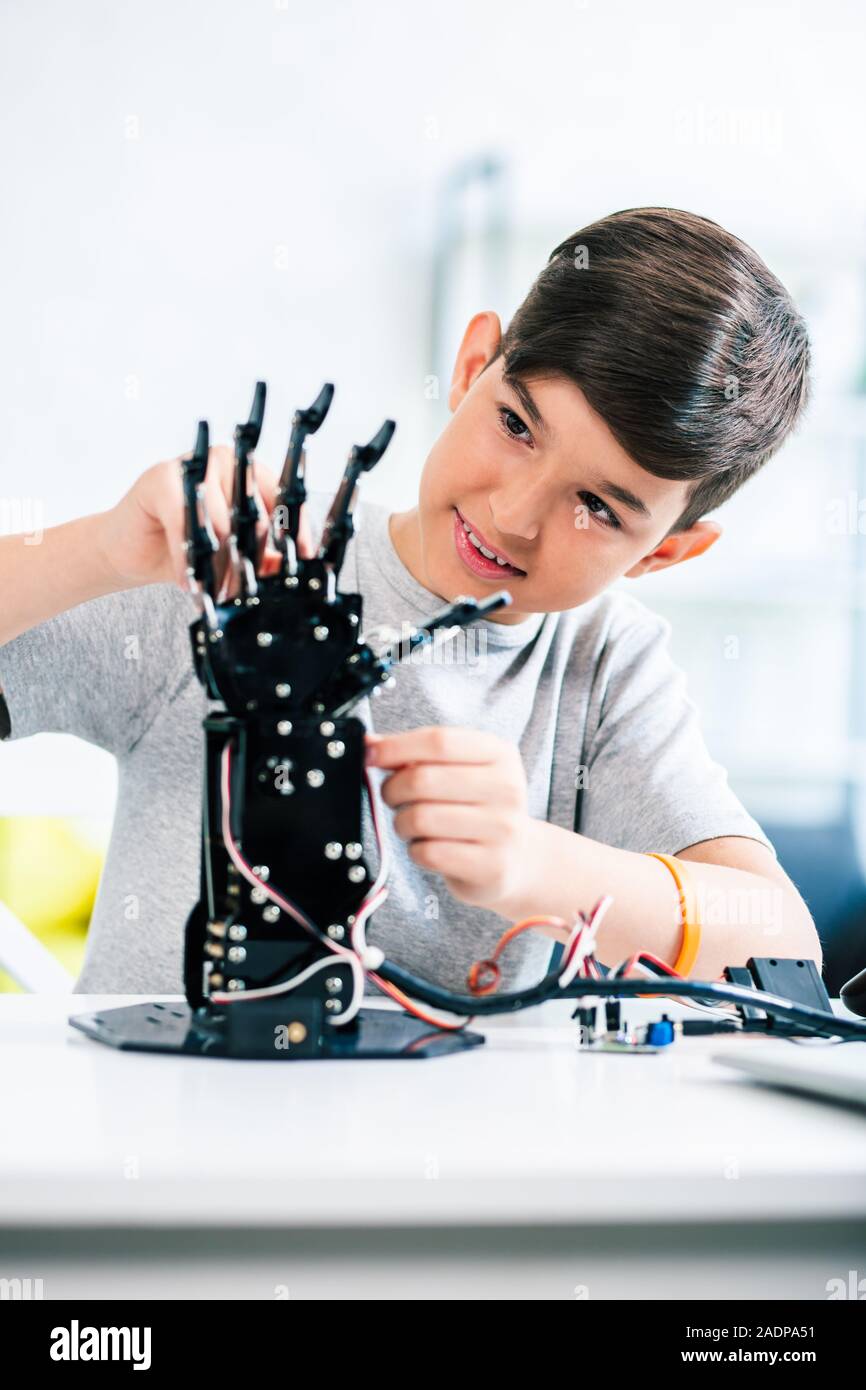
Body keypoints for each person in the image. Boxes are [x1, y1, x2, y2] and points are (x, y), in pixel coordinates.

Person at [0, 206, 820, 996]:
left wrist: (528, 864)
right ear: (470, 368)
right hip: (161, 1127)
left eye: (599, 508)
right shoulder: (243, 566)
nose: (514, 516)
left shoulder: (603, 667)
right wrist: (96, 553)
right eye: (516, 424)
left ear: (666, 552)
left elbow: (780, 939)